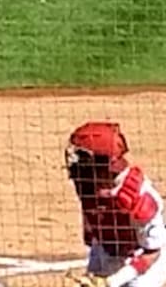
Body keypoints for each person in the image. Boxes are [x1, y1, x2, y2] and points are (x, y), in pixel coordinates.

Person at [69, 121, 166, 287]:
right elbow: (97, 237)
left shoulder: (140, 197)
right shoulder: (88, 185)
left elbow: (152, 252)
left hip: (143, 267)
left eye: (84, 158)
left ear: (103, 163)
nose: (77, 163)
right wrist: (92, 274)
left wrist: (111, 282)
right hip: (107, 253)